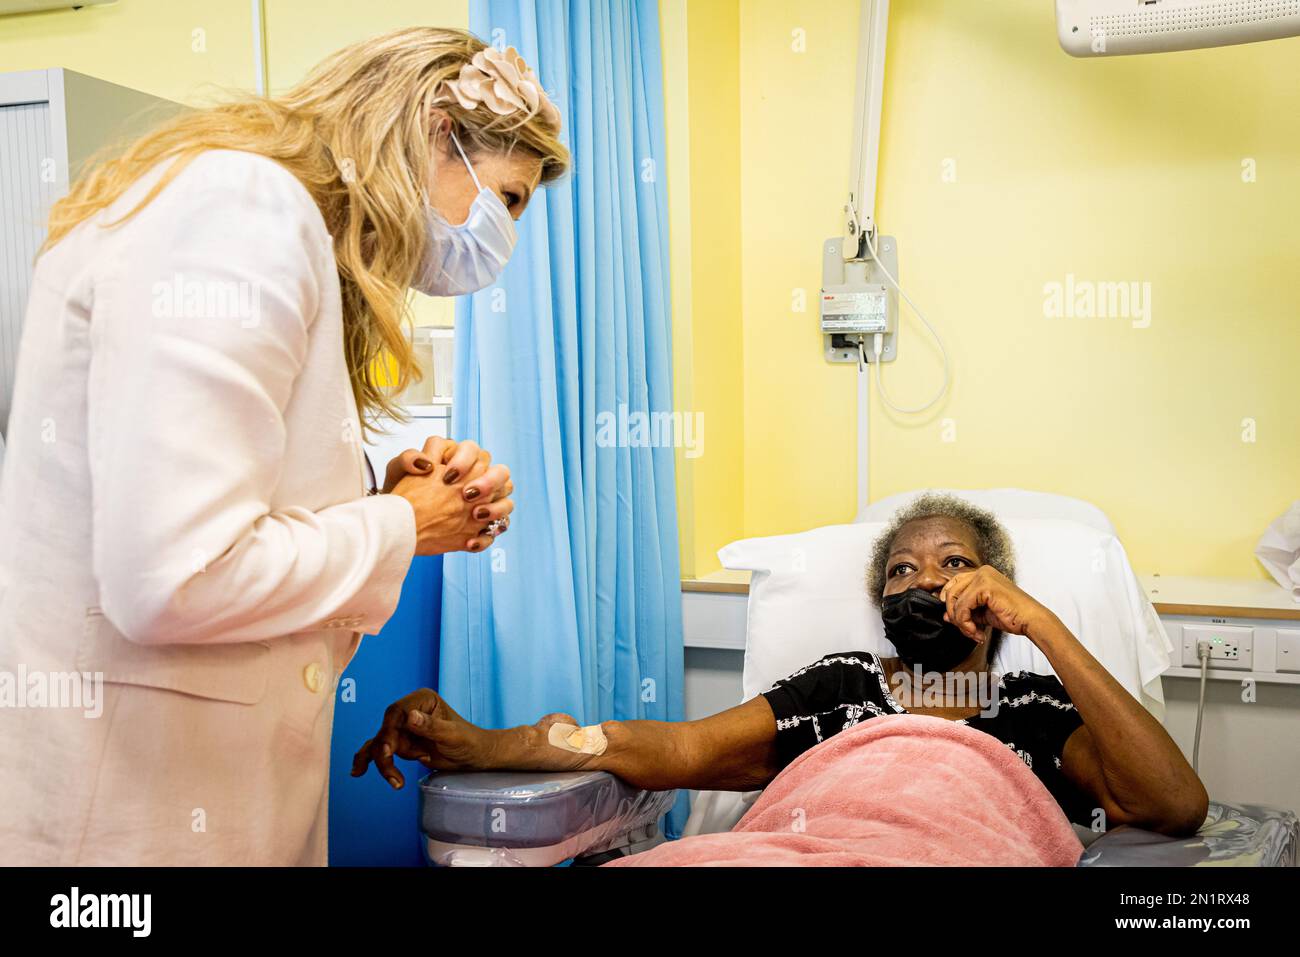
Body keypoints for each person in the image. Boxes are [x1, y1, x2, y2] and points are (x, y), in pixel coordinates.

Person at [0, 28, 568, 865]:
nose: (500, 239)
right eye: (507, 199)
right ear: (438, 127)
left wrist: (382, 500)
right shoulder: (241, 208)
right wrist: (406, 525)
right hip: (131, 814)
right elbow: (172, 575)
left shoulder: (267, 220)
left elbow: (222, 509)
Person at [357, 494, 1209, 839]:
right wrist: (481, 744)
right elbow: (682, 751)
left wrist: (1046, 626)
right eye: (901, 571)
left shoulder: (1034, 702)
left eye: (952, 563)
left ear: (995, 590)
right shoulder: (840, 687)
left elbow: (1172, 805)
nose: (922, 581)